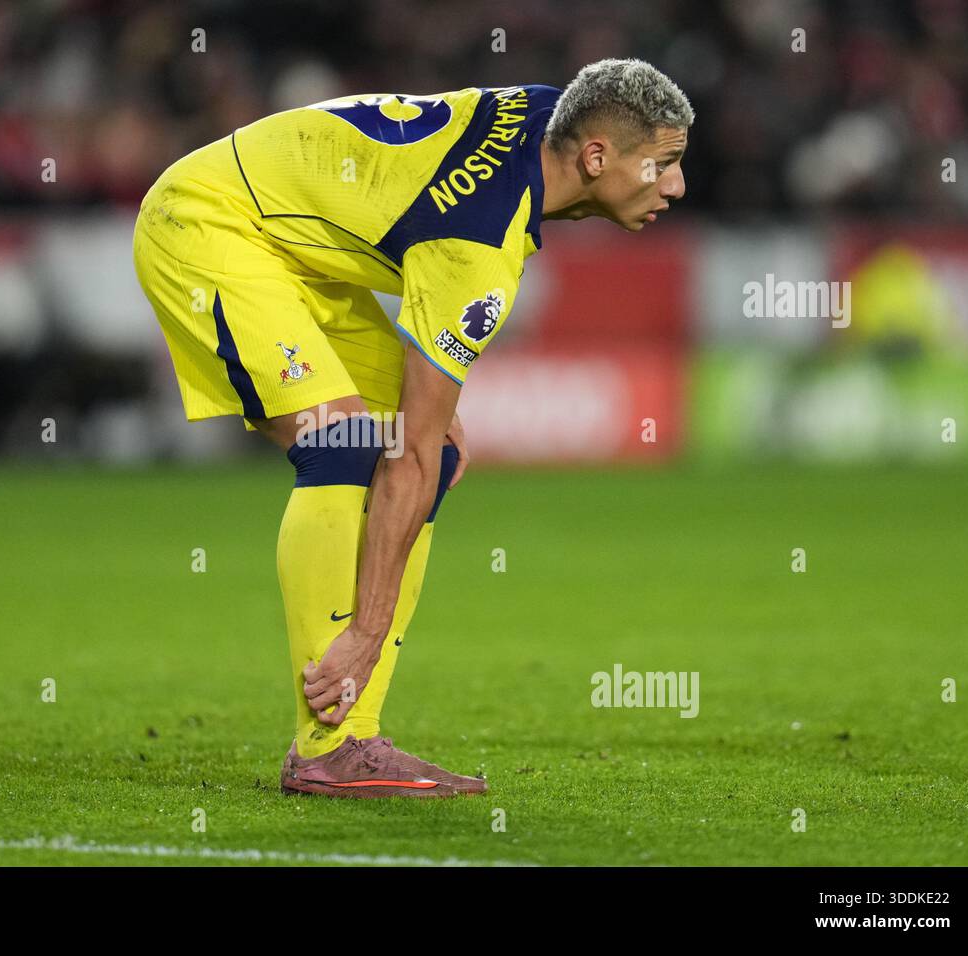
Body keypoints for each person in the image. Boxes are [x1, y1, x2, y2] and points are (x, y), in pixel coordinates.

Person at [133, 58, 693, 798]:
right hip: (208, 225)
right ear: (595, 156)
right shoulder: (478, 248)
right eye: (663, 165)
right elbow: (408, 458)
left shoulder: (557, 114)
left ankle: (354, 735)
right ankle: (328, 744)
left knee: (435, 449)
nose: (675, 186)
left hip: (294, 244)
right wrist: (365, 629)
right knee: (357, 449)